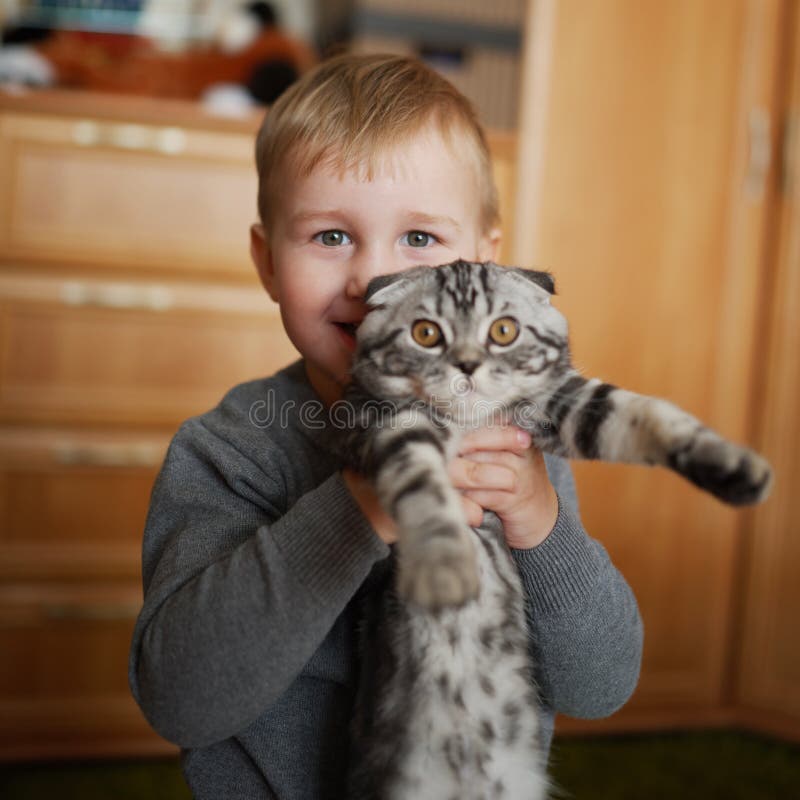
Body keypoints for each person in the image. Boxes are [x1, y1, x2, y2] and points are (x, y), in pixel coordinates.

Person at [129, 53, 643, 799]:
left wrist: (542, 524)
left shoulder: (511, 447)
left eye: (421, 241)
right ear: (267, 260)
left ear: (484, 263)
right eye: (331, 236)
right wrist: (358, 511)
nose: (375, 283)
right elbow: (178, 698)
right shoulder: (231, 451)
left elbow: (601, 685)